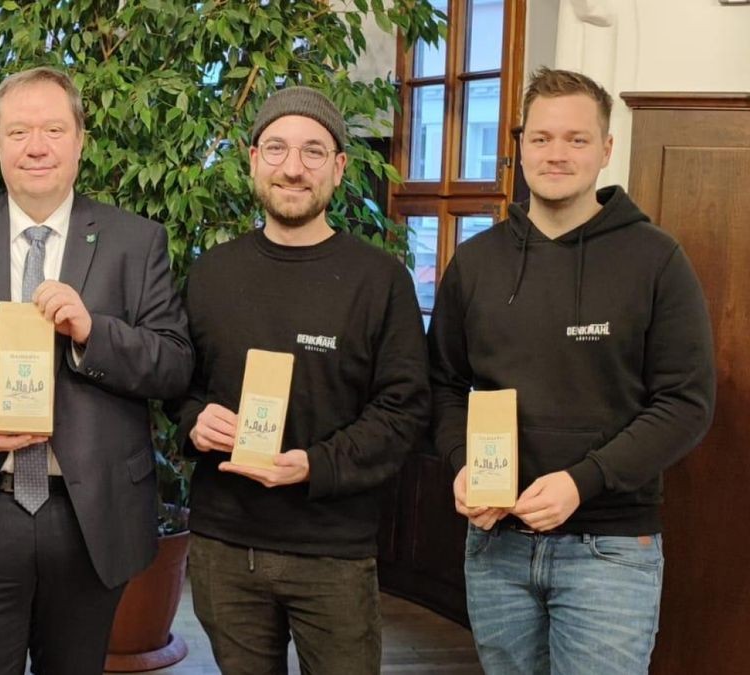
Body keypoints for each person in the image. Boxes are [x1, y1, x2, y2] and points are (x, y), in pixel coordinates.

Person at [0, 66, 193, 675]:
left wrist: (92, 333)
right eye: (18, 131)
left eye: (54, 128)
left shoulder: (137, 241)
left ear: (81, 139)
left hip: (89, 514)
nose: (37, 146)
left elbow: (174, 364)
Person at [428, 68, 715, 674]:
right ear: (521, 144)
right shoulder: (475, 263)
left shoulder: (656, 259)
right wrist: (460, 465)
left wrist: (581, 481)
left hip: (610, 550)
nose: (556, 154)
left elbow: (685, 404)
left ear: (606, 149)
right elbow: (445, 386)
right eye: (541, 138)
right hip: (495, 544)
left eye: (576, 139)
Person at [172, 86, 431, 675]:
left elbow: (404, 410)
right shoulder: (212, 273)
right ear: (252, 159)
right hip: (226, 546)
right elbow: (179, 388)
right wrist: (195, 421)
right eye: (277, 148)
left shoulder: (380, 280)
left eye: (313, 152)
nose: (293, 168)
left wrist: (314, 464)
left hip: (333, 549)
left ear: (339, 168)